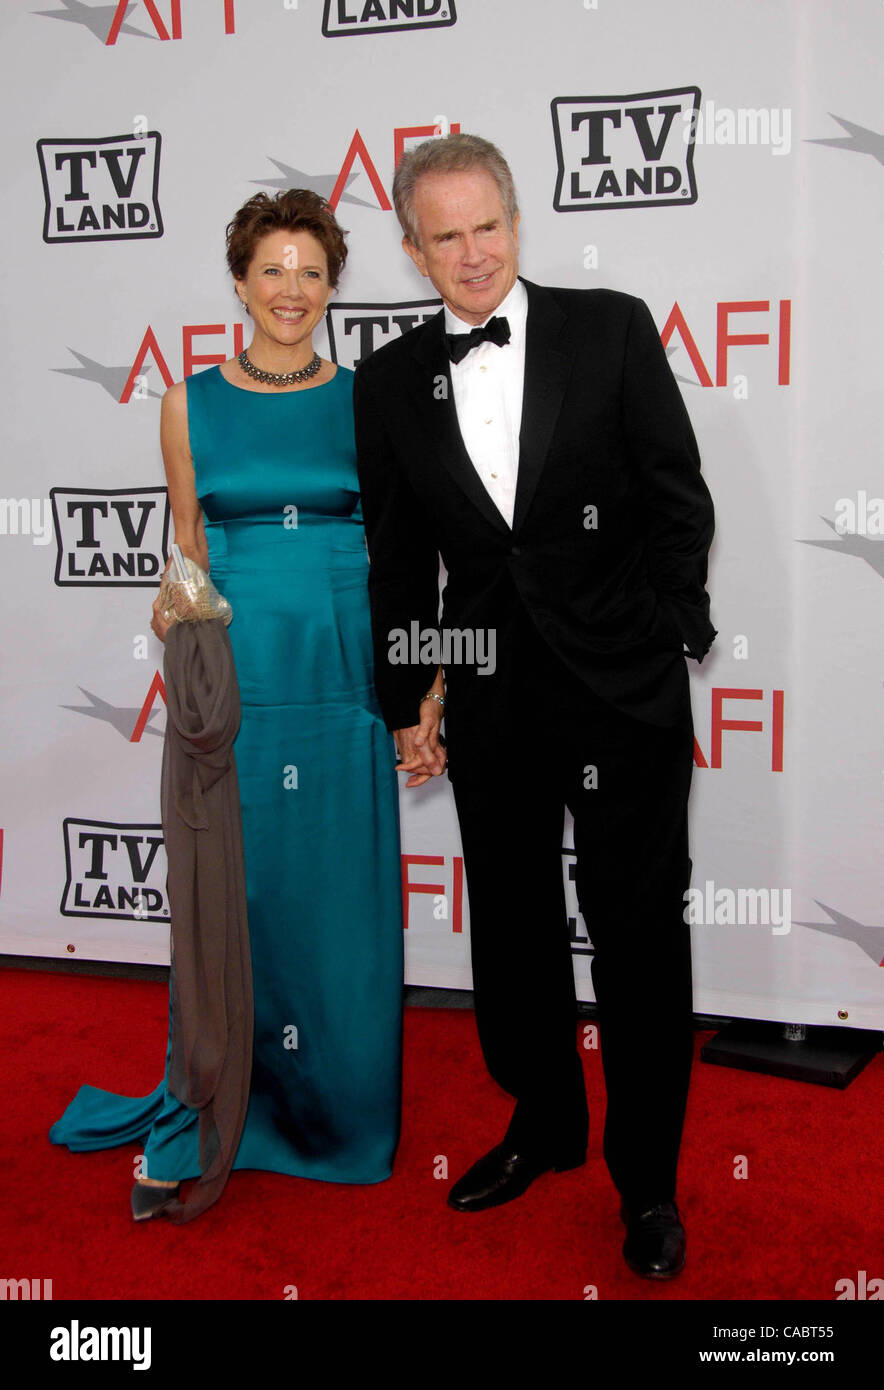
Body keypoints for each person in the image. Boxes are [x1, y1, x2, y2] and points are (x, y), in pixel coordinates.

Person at [353, 134, 715, 1278]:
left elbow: (674, 496)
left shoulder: (606, 326)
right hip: (494, 698)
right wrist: (410, 694)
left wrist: (669, 628)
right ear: (412, 249)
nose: (471, 254)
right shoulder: (388, 378)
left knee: (637, 940)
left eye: (486, 226)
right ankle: (545, 1123)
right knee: (512, 930)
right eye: (444, 235)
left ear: (519, 219)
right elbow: (403, 563)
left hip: (622, 692)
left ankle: (647, 1184)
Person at [50, 190, 405, 1217]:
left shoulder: (368, 398)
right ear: (239, 281)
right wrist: (177, 625)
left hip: (338, 673)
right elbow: (188, 548)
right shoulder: (186, 402)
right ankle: (219, 1103)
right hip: (238, 672)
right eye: (272, 269)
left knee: (334, 897)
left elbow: (396, 547)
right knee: (235, 894)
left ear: (332, 284)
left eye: (310, 270)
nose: (290, 289)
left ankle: (336, 1118)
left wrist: (414, 678)